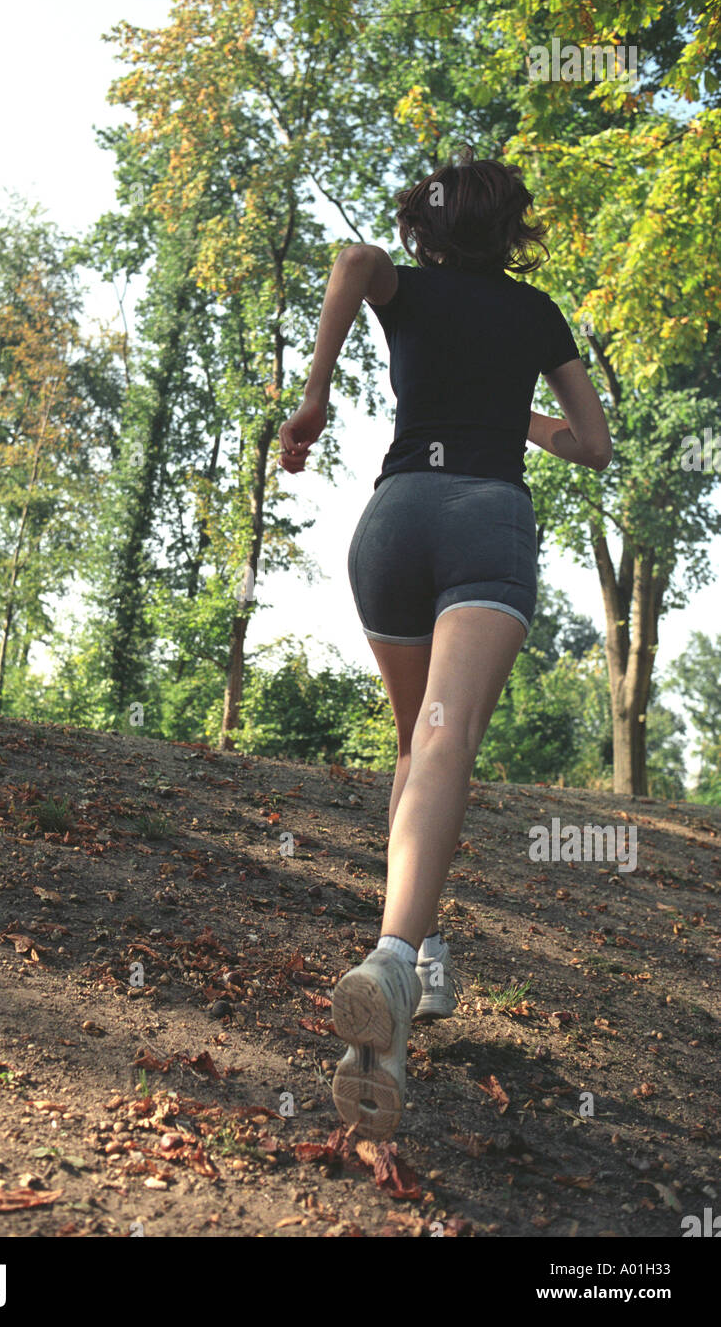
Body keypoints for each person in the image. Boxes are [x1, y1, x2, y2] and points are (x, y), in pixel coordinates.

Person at [277, 147, 612, 1142]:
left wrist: (316, 395)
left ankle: (406, 981)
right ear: (509, 228)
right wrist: (515, 409)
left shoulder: (404, 288)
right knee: (445, 733)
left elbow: (348, 262)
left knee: (412, 742)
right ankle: (392, 953)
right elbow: (591, 445)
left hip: (390, 520)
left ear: (428, 225)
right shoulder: (534, 312)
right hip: (482, 517)